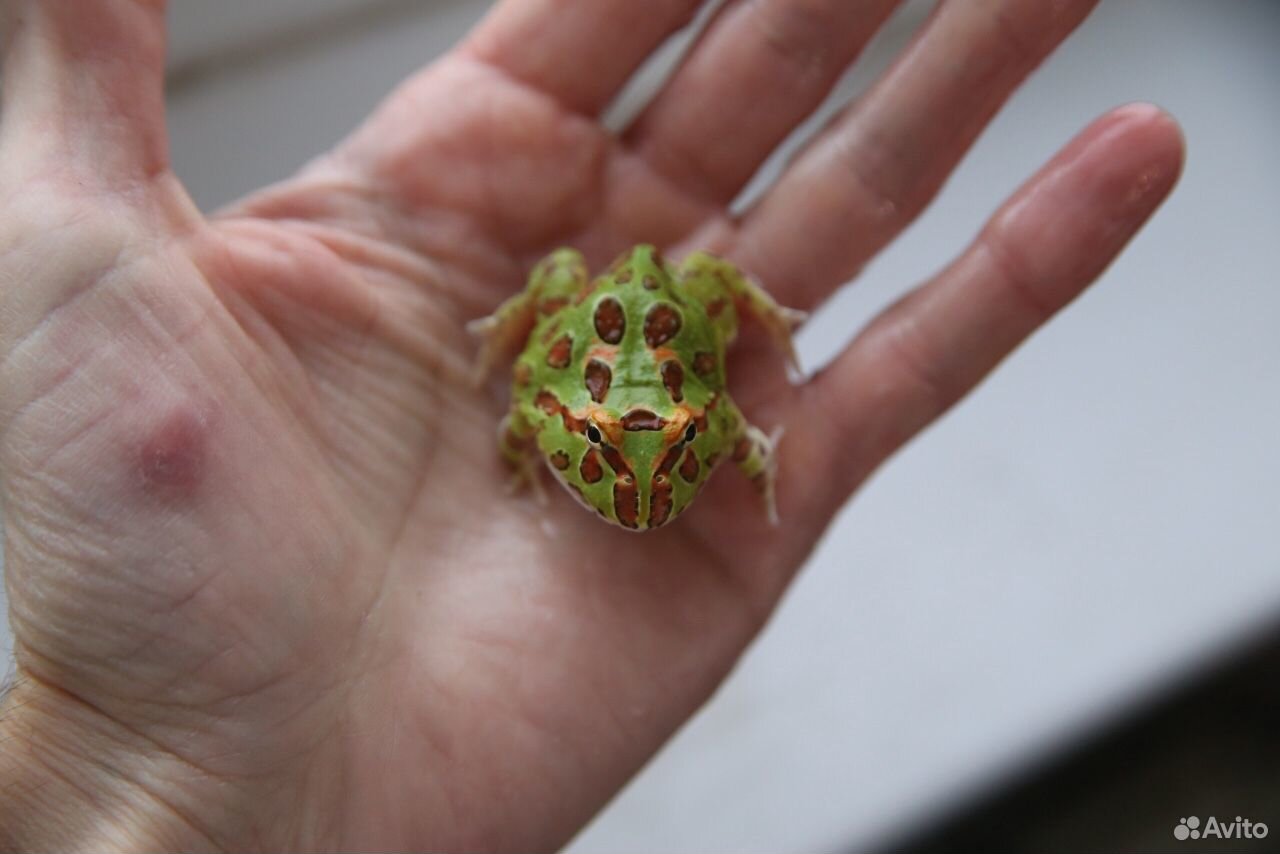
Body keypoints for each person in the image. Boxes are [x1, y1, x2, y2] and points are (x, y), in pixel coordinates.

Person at [0, 0, 1182, 850]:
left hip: (651, 322)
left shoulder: (692, 423)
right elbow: (534, 411)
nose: (636, 490)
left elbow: (703, 406)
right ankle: (556, 306)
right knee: (570, 286)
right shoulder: (565, 424)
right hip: (591, 330)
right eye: (615, 466)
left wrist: (736, 388)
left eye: (654, 463)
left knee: (706, 290)